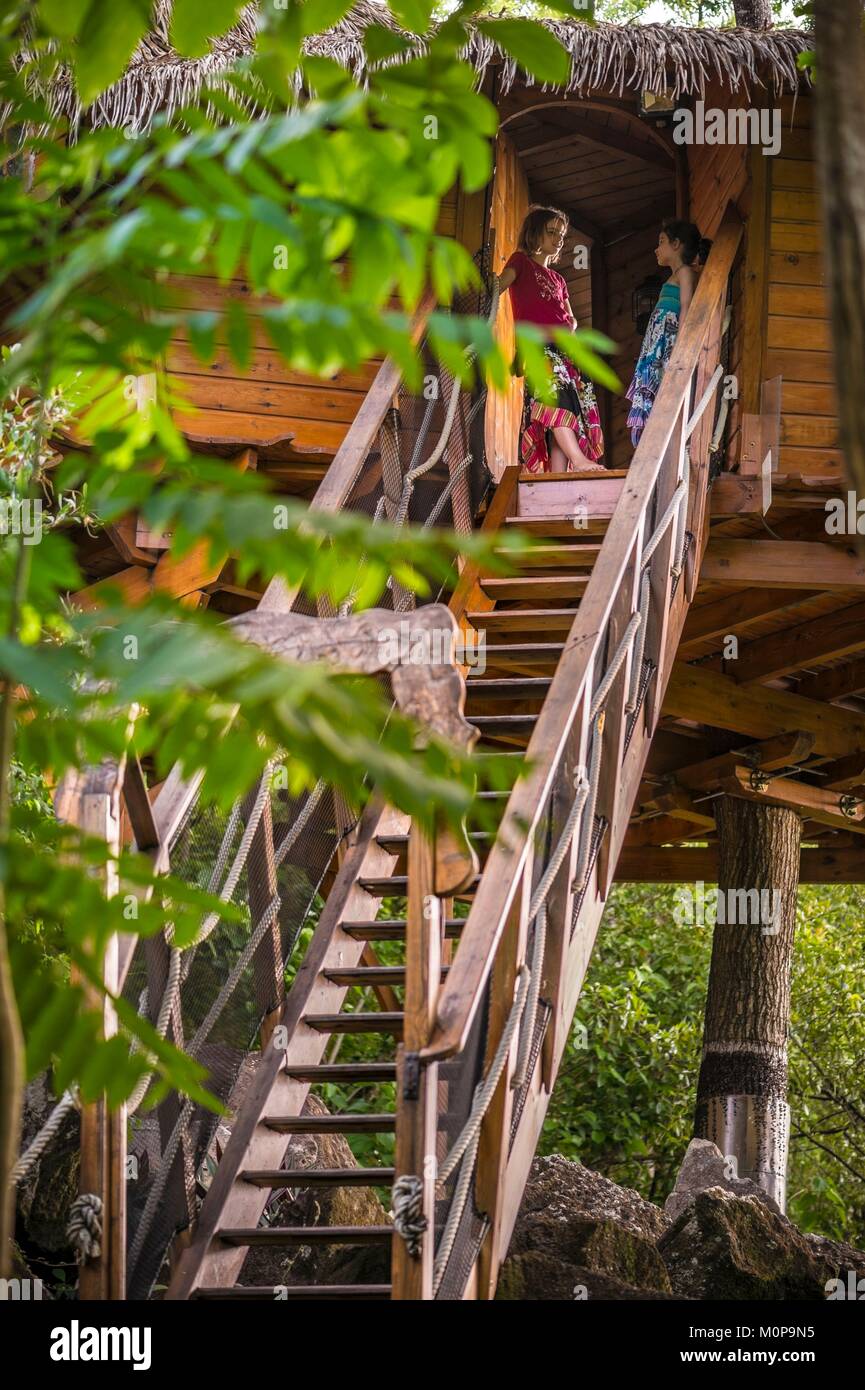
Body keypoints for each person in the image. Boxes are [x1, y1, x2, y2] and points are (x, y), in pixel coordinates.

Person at [498, 206, 605, 474]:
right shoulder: (520, 262)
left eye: (561, 234)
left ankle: (558, 476)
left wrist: (570, 327)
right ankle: (579, 461)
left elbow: (571, 317)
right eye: (551, 232)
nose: (558, 238)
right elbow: (499, 285)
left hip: (566, 351)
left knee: (567, 406)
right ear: (534, 233)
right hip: (537, 349)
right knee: (555, 400)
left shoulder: (559, 279)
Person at [626, 219, 712, 448]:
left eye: (661, 241)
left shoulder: (685, 272)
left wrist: (683, 344)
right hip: (657, 344)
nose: (657, 248)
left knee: (663, 388)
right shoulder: (674, 275)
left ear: (676, 244)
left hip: (670, 342)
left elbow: (686, 306)